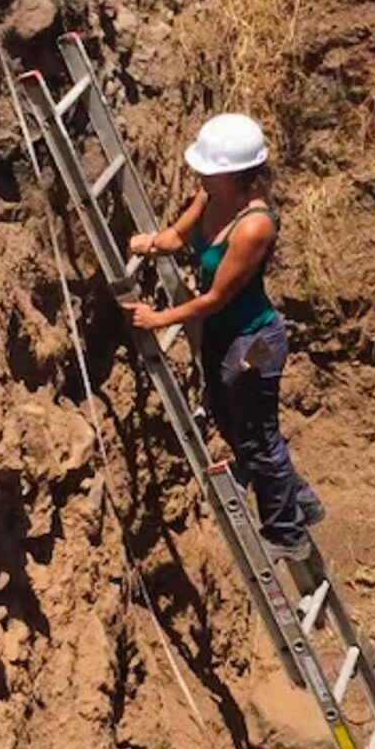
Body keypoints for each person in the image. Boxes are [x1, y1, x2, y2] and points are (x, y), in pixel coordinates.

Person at [122, 113, 325, 561]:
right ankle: (301, 500)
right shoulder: (209, 195)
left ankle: (286, 534)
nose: (199, 175)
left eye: (209, 169)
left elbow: (215, 297)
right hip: (222, 335)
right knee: (230, 422)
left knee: (256, 436)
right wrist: (152, 244)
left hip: (255, 340)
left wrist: (159, 319)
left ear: (235, 172)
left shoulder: (255, 226)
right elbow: (178, 236)